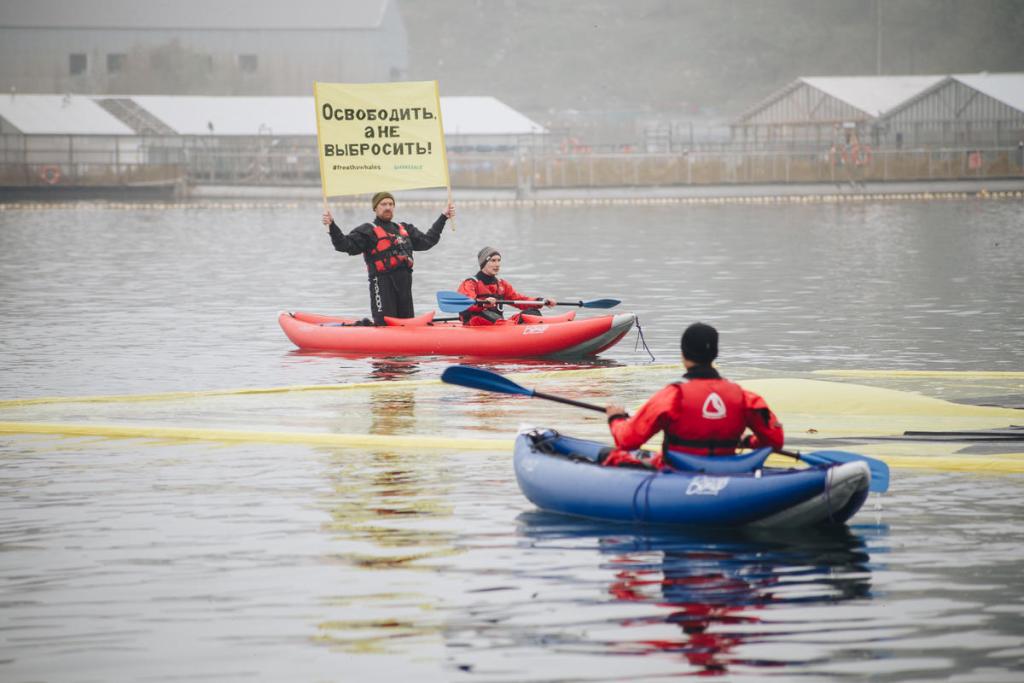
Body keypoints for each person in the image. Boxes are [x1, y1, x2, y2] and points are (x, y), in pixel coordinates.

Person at [603, 322, 784, 468]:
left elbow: (627, 440)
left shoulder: (672, 396)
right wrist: (748, 441)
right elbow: (775, 441)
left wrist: (616, 418)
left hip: (679, 472)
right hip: (728, 470)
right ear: (715, 354)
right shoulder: (745, 397)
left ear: (682, 354)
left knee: (616, 456)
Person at [322, 192, 454, 325]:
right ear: (375, 208)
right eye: (383, 204)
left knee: (407, 325)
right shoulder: (368, 231)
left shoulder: (404, 229)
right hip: (382, 285)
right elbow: (344, 245)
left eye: (391, 204)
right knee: (385, 324)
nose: (388, 207)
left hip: (404, 287)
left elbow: (427, 241)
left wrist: (443, 217)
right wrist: (332, 226)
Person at [456, 247, 555, 325]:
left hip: (497, 322)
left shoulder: (501, 284)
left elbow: (519, 300)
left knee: (533, 312)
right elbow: (467, 305)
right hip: (476, 323)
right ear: (483, 264)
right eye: (493, 261)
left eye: (499, 260)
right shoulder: (470, 283)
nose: (497, 264)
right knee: (486, 316)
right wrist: (483, 304)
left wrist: (540, 301)